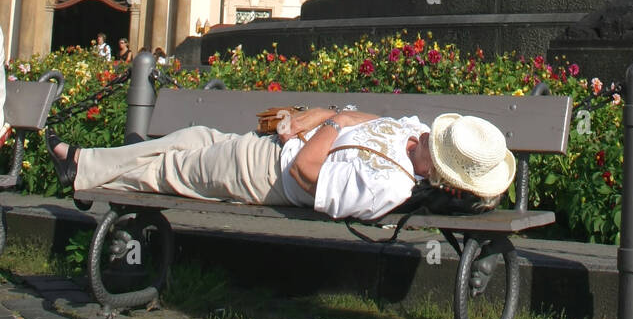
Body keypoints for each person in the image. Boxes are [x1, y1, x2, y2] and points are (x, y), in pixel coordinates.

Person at [45, 108, 515, 222]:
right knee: (191, 139)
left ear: (440, 174)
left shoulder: (387, 186)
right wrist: (323, 117)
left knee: (169, 171)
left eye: (440, 140)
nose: (430, 131)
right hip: (271, 146)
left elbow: (306, 173)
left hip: (266, 173)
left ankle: (83, 170)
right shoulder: (414, 132)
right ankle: (83, 166)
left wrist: (330, 121)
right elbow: (362, 115)